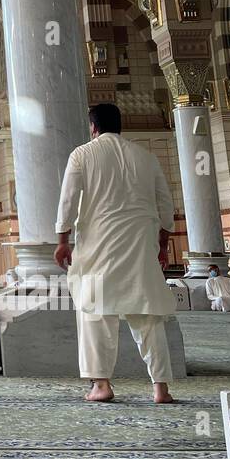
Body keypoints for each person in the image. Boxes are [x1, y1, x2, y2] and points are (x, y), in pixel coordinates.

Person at [55, 102, 177, 405]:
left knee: (95, 312)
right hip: (140, 246)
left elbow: (68, 200)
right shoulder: (146, 158)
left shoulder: (82, 154)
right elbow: (166, 204)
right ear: (119, 125)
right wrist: (162, 246)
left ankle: (102, 384)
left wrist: (62, 239)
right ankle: (161, 388)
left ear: (93, 127)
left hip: (98, 247)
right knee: (148, 315)